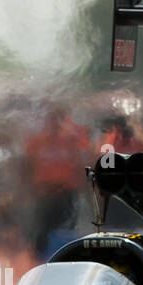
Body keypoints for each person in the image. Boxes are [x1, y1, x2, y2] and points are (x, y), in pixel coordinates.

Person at [24, 105, 91, 252]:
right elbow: (27, 167)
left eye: (57, 120)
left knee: (66, 229)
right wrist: (29, 190)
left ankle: (65, 254)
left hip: (66, 192)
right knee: (43, 228)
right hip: (44, 193)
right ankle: (40, 258)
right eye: (51, 120)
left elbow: (80, 165)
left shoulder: (70, 141)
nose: (54, 124)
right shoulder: (36, 142)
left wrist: (82, 189)